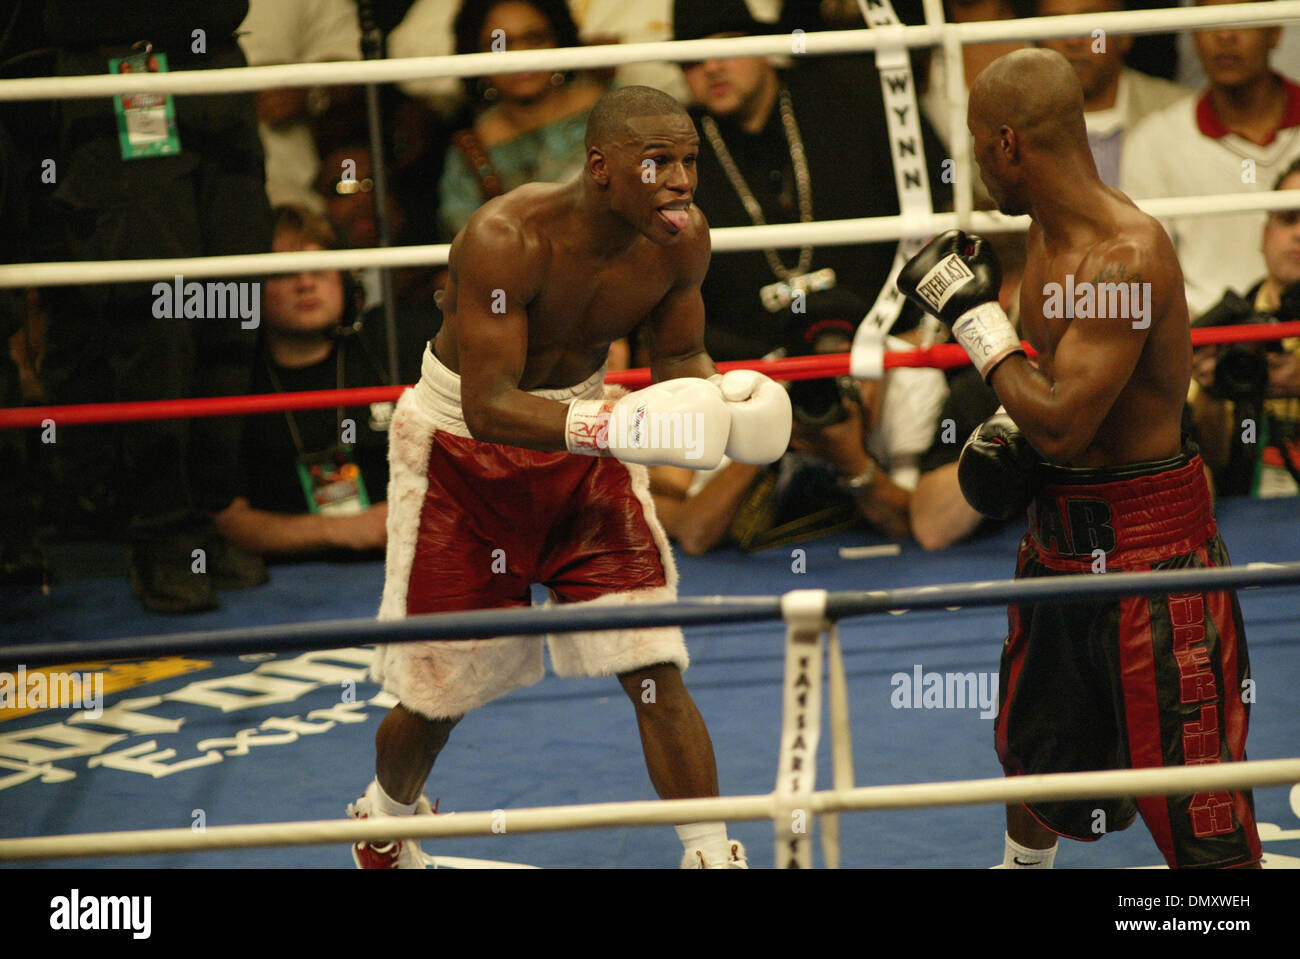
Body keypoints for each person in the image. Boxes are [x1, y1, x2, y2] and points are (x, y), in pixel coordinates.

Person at [348, 85, 792, 869]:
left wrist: (725, 401)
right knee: (436, 695)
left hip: (583, 455)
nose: (682, 180)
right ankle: (381, 818)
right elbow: (488, 405)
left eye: (689, 160)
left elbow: (680, 360)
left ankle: (711, 853)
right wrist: (609, 426)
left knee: (651, 658)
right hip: (463, 459)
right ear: (599, 168)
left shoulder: (681, 240)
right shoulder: (503, 238)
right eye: (658, 162)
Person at [898, 48, 1261, 868]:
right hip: (1059, 543)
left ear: (1010, 145)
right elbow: (1057, 403)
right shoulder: (1045, 237)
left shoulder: (1122, 255)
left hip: (1153, 563)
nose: (976, 163)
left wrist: (973, 322)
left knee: (1196, 806)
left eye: (977, 144)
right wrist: (1007, 422)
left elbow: (1061, 423)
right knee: (1039, 748)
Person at [673, 0, 951, 362]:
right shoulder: (678, 146)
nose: (711, 67)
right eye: (692, 57)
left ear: (763, 44)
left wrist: (911, 336)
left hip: (887, 344)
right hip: (748, 369)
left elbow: (939, 207)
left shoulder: (851, 98)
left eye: (727, 44)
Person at [213, 206, 426, 558]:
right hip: (283, 586)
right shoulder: (232, 378)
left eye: (319, 269)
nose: (306, 283)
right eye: (285, 272)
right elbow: (226, 519)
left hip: (407, 558)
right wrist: (338, 531)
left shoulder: (390, 346)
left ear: (344, 281)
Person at [1121, 0, 1300, 317]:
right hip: (1203, 336)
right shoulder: (1155, 140)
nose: (1225, 36)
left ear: (1275, 31)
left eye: (1241, 19)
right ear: (1193, 35)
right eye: (1210, 20)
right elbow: (1145, 273)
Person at [438, 0, 608, 240]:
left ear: (558, 42)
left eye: (535, 38)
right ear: (474, 53)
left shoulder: (612, 114)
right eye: (499, 44)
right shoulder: (471, 149)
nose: (519, 55)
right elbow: (466, 239)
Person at [1190, 161, 1300, 498]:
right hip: (1248, 513)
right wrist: (1212, 391)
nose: (1299, 233)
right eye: (1288, 218)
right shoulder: (1227, 326)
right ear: (1265, 235)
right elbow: (1214, 458)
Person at [1034, 0, 1186, 188]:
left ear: (1124, 35)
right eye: (1055, 24)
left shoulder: (1180, 110)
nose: (1073, 41)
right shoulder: (1012, 120)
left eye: (1091, 23)